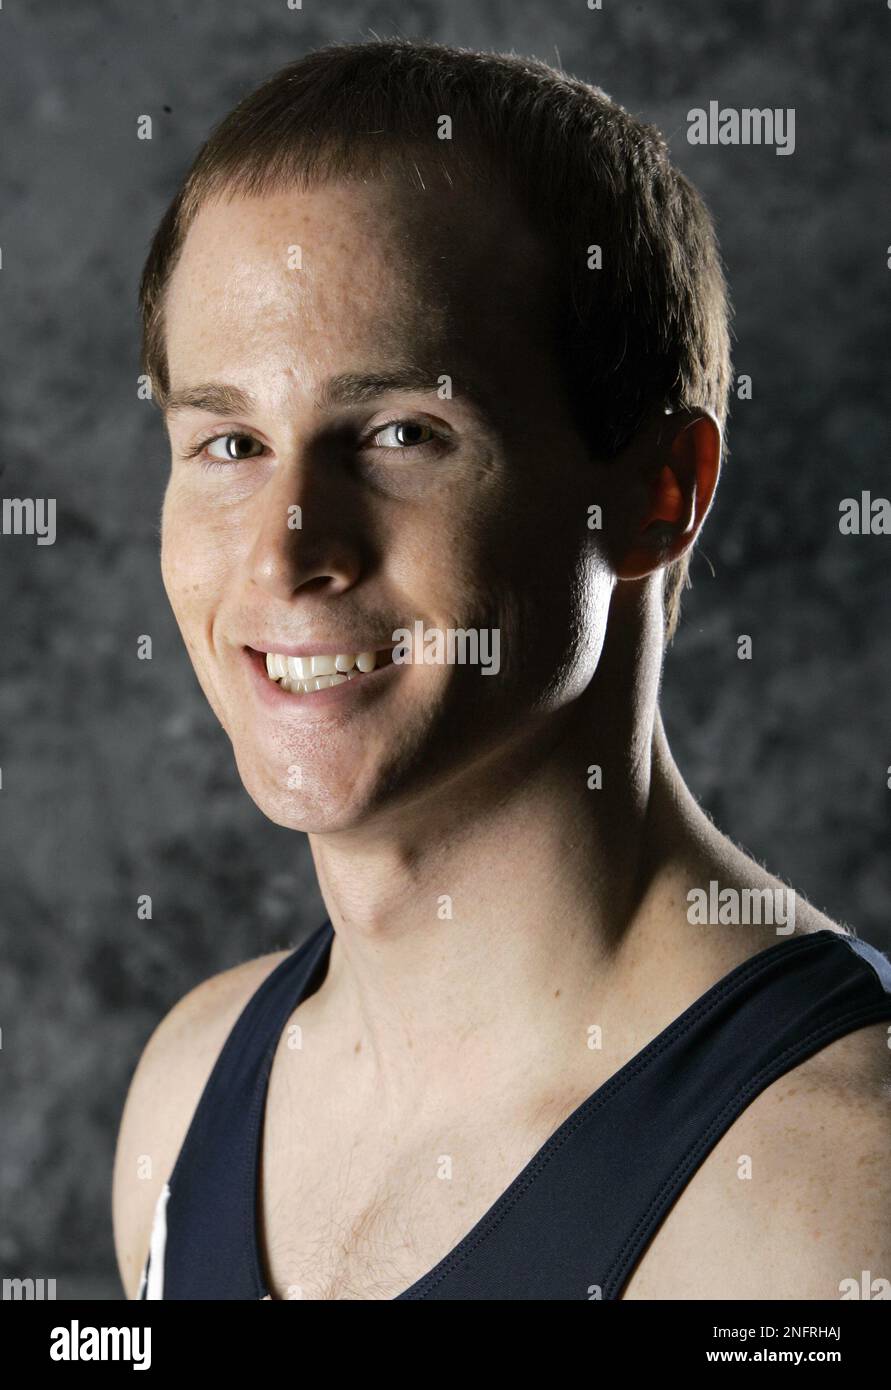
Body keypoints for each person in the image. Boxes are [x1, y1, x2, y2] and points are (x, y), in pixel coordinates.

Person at [112, 38, 891, 1301]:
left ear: (660, 495)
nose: (289, 550)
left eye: (402, 433)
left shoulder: (828, 1201)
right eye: (231, 441)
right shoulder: (188, 1098)